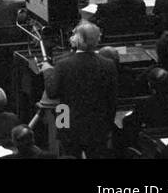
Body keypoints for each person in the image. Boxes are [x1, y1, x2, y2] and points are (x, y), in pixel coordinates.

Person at [43, 22, 118, 157]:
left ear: (76, 39)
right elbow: (112, 101)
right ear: (96, 40)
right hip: (97, 125)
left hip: (66, 121)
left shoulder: (62, 65)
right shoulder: (108, 65)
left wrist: (47, 71)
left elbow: (52, 93)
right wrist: (107, 126)